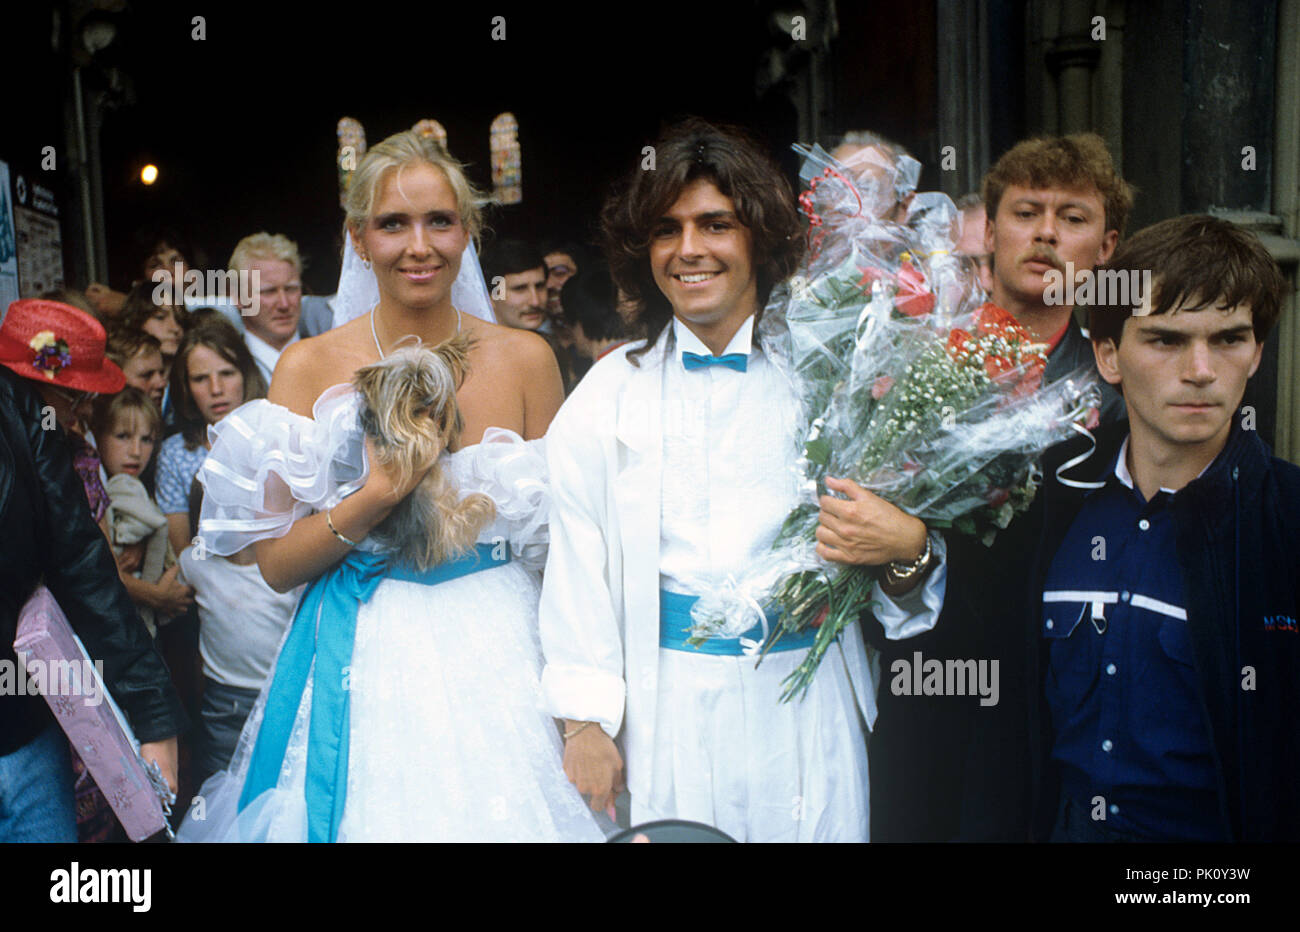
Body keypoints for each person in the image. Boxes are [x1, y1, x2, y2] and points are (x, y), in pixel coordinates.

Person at [177, 129, 600, 842]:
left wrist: (582, 714)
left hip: (503, 650)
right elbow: (277, 567)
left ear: (467, 231)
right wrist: (375, 494)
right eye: (392, 223)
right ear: (358, 238)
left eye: (440, 220)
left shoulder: (528, 360)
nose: (419, 245)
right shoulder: (307, 367)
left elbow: (567, 555)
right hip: (360, 652)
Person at [538, 118, 944, 843]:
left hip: (808, 698)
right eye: (666, 229)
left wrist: (908, 549)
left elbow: (902, 573)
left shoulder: (839, 376)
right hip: (669, 711)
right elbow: (576, 566)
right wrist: (583, 723)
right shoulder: (606, 396)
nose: (689, 250)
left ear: (759, 234)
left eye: (715, 224)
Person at [860, 133, 1136, 842]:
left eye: (1072, 218)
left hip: (1063, 699)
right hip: (929, 688)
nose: (1046, 232)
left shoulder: (1121, 383)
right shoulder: (914, 357)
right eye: (1026, 211)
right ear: (990, 229)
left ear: (1106, 249)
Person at [1023, 214, 1298, 842]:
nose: (1200, 369)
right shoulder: (1052, 503)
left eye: (1228, 339)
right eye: (1167, 340)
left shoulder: (1286, 521)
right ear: (1108, 355)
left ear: (1256, 353)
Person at [0, 298, 184, 843]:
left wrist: (153, 715)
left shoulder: (31, 424)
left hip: (22, 733)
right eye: (69, 394)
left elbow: (82, 563)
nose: (79, 410)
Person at [157, 318, 267, 557]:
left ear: (246, 375)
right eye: (200, 379)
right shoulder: (175, 454)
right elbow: (184, 553)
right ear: (185, 386)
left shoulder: (274, 437)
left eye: (227, 373)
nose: (216, 389)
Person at [93, 388, 190, 637]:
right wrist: (158, 597)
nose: (136, 451)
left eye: (146, 440)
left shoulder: (142, 490)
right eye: (123, 436)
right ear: (98, 435)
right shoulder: (100, 490)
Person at [229, 232, 306, 385]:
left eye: (291, 289)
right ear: (238, 296)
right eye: (268, 291)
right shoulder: (225, 368)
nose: (284, 304)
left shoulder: (329, 355)